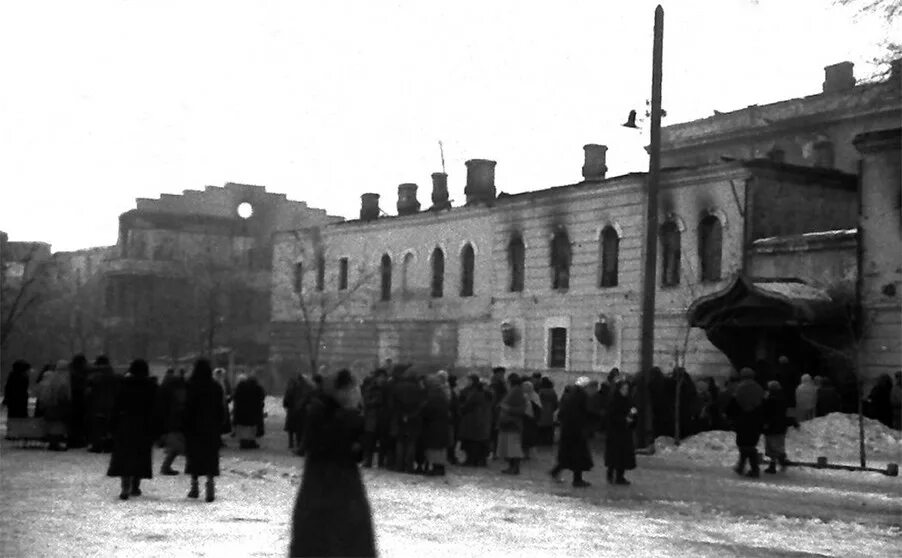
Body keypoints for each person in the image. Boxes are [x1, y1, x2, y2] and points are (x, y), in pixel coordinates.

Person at [289, 369, 376, 557]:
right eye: (352, 390)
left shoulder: (337, 411)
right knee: (328, 540)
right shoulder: (321, 409)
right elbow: (323, 443)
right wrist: (351, 419)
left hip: (339, 487)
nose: (356, 395)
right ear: (341, 391)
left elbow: (357, 449)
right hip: (326, 489)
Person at [107, 359, 158, 500]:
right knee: (140, 455)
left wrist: (112, 425)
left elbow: (116, 406)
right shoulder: (151, 386)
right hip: (144, 424)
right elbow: (156, 408)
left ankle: (125, 485)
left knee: (125, 456)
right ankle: (135, 485)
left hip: (126, 423)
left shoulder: (124, 384)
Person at [184, 359, 225, 503]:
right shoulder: (215, 387)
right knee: (210, 458)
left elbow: (186, 407)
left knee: (194, 457)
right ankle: (210, 485)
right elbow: (221, 408)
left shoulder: (190, 385)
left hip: (194, 427)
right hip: (211, 427)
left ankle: (194, 486)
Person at [550, 377, 594, 487]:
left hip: (568, 429)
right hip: (576, 430)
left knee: (568, 454)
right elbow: (585, 412)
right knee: (577, 455)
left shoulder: (569, 394)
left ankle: (557, 471)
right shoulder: (581, 396)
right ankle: (577, 479)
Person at [728, 368, 765, 478]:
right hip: (755, 418)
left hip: (743, 419)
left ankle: (753, 468)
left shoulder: (739, 389)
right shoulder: (759, 388)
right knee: (750, 443)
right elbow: (762, 404)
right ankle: (742, 466)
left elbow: (734, 404)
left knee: (744, 444)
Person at [605, 380, 638, 485]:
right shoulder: (614, 400)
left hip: (625, 432)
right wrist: (623, 420)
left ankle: (620, 477)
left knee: (623, 456)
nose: (625, 391)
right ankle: (610, 474)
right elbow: (611, 416)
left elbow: (633, 412)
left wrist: (633, 417)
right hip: (615, 432)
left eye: (627, 389)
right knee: (614, 455)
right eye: (623, 389)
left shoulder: (628, 400)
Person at [156, 368, 188, 475]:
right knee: (183, 445)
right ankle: (190, 467)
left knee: (176, 447)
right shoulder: (181, 393)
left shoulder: (166, 390)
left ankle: (166, 466)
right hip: (180, 422)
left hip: (172, 422)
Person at [457, 374, 492, 466]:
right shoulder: (482, 392)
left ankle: (472, 460)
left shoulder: (475, 393)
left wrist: (460, 409)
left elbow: (468, 405)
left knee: (473, 442)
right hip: (480, 421)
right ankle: (479, 460)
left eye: (468, 380)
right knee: (479, 441)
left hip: (473, 420)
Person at [86, 356, 118, 453]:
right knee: (109, 426)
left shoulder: (95, 376)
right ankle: (109, 445)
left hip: (98, 403)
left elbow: (89, 391)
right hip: (111, 403)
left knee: (98, 426)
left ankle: (97, 445)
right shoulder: (112, 375)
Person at [38, 360, 72, 451]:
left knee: (53, 424)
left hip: (50, 404)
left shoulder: (53, 377)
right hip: (59, 404)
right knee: (58, 425)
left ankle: (53, 443)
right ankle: (55, 443)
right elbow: (64, 392)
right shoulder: (63, 378)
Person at [497, 373, 526, 475]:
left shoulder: (516, 392)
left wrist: (506, 408)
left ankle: (514, 467)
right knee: (509, 447)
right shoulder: (513, 391)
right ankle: (511, 467)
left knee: (513, 447)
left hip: (513, 423)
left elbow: (521, 409)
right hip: (508, 423)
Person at [422, 373, 451, 476]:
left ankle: (437, 468)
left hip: (434, 425)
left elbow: (429, 410)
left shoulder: (434, 396)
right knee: (439, 448)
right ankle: (438, 467)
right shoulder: (441, 394)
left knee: (435, 448)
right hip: (441, 424)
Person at [762, 380, 790, 474]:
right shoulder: (783, 397)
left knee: (771, 447)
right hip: (781, 425)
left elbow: (766, 411)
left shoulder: (770, 398)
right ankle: (781, 460)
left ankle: (774, 465)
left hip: (771, 426)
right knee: (779, 445)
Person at [232, 372, 265, 449]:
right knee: (252, 428)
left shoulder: (240, 387)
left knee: (243, 429)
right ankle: (251, 442)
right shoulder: (257, 388)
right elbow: (262, 397)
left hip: (241, 412)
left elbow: (235, 397)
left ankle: (243, 442)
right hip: (253, 412)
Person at [284, 371, 314, 451]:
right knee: (299, 427)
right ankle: (298, 443)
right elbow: (309, 398)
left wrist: (286, 405)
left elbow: (287, 397)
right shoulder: (307, 387)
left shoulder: (292, 387)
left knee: (291, 427)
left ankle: (291, 443)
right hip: (302, 410)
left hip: (292, 409)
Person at [67, 354, 90, 449]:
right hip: (79, 398)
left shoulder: (71, 372)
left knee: (74, 421)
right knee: (79, 420)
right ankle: (78, 440)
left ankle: (74, 439)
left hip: (73, 399)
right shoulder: (81, 373)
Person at [520, 380, 542, 459]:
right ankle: (524, 453)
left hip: (530, 419)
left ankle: (526, 453)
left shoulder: (534, 396)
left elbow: (538, 407)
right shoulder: (523, 395)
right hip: (524, 418)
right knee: (524, 436)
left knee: (528, 436)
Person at [536, 377, 558, 446]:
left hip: (541, 410)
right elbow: (555, 402)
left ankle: (540, 441)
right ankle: (549, 441)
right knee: (549, 427)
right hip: (550, 410)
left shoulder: (540, 391)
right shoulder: (552, 391)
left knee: (541, 427)